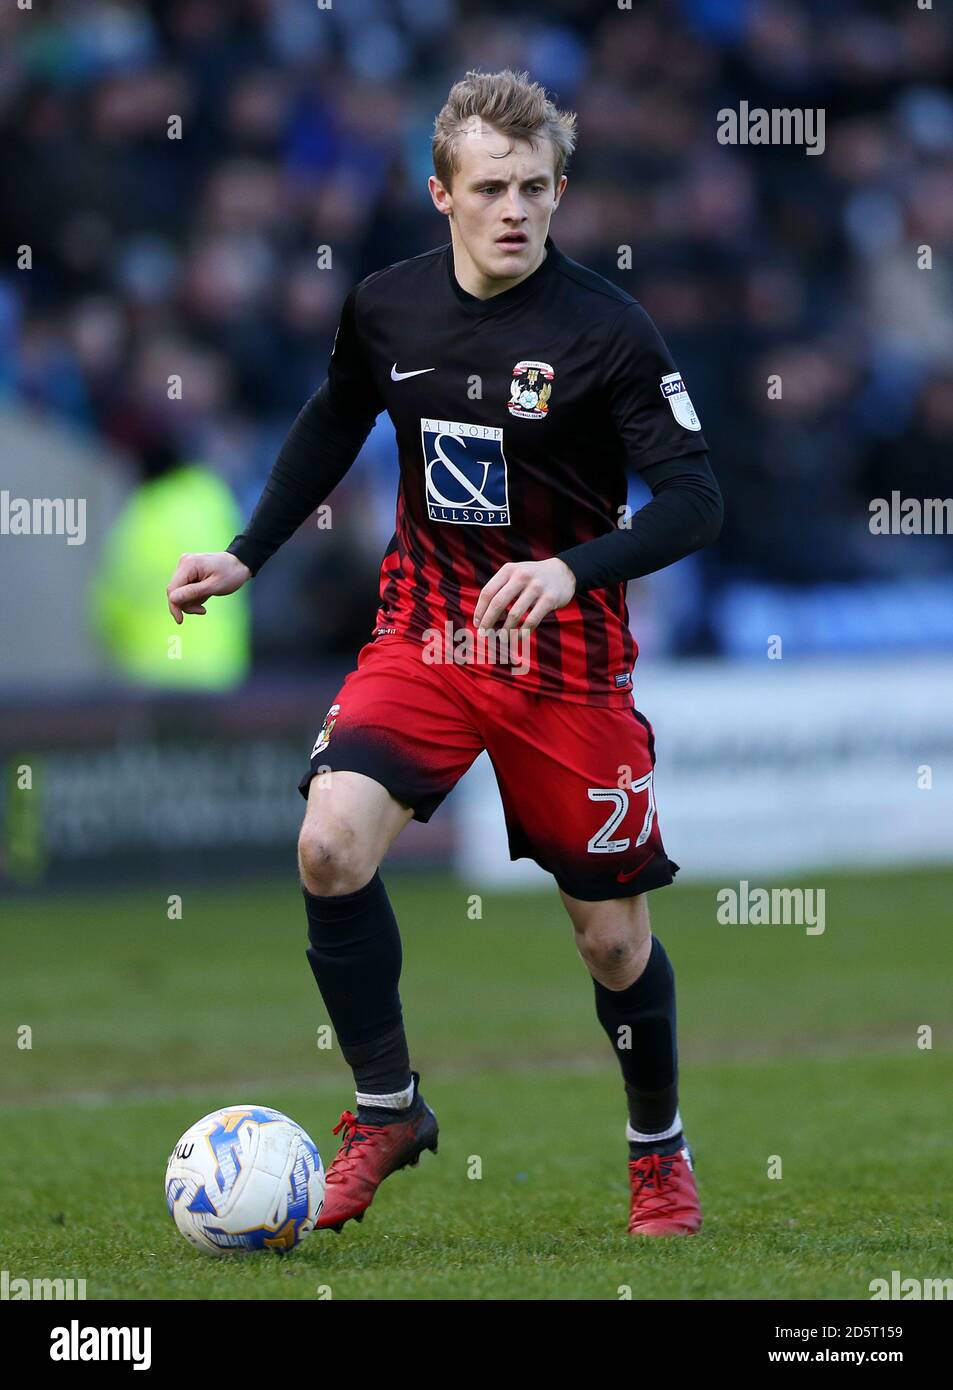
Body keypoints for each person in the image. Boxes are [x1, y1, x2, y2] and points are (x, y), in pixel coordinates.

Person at [166, 69, 723, 1237]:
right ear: (440, 193)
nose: (513, 208)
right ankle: (386, 1108)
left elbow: (692, 500)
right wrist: (245, 552)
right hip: (426, 632)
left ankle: (656, 1149)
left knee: (612, 940)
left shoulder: (605, 331)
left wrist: (574, 566)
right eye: (488, 188)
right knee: (327, 841)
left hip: (566, 663)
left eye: (533, 187)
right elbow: (333, 416)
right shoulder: (387, 307)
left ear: (559, 190)